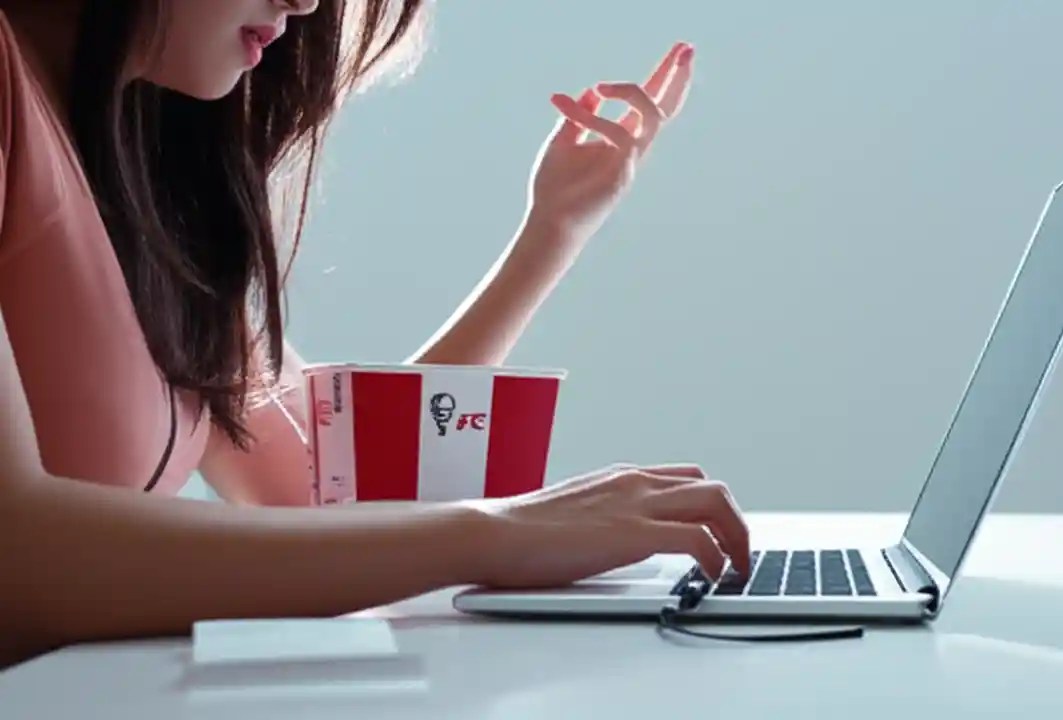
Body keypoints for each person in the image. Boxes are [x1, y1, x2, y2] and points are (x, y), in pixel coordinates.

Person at [0, 0, 750, 665]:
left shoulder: (151, 169)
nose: (305, 4)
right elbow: (16, 552)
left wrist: (552, 232)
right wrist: (496, 533)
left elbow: (323, 491)